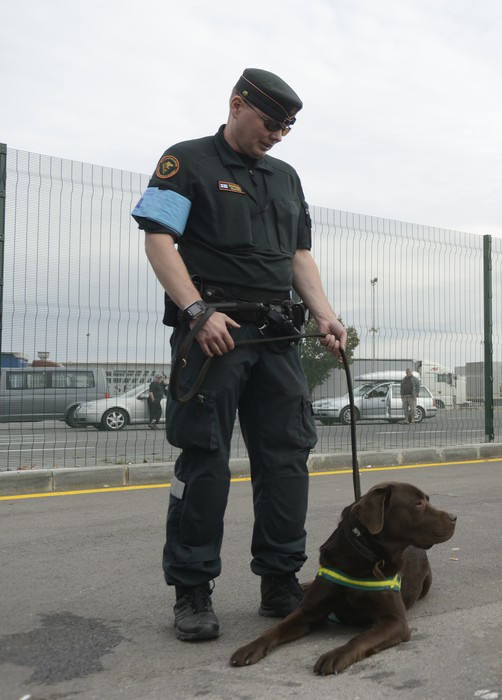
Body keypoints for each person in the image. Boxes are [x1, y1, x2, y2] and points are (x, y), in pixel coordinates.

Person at [131, 68, 347, 641]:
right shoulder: (186, 161)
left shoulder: (286, 177)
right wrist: (196, 310)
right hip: (214, 336)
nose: (277, 135)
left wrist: (324, 313)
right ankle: (192, 590)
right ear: (236, 105)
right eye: (272, 123)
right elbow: (158, 239)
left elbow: (299, 256)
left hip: (276, 338)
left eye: (287, 127)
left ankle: (280, 582)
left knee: (286, 461)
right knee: (204, 463)